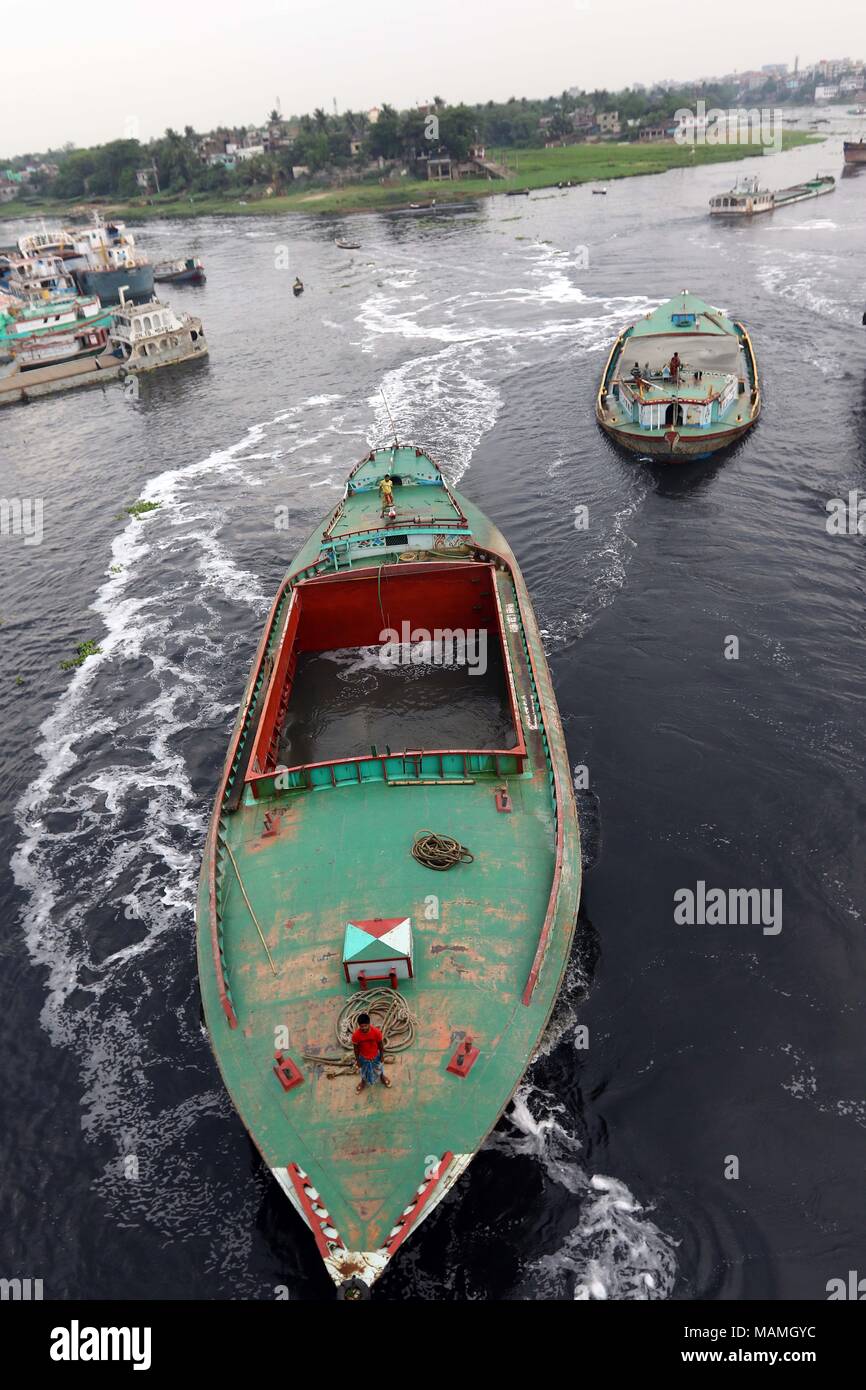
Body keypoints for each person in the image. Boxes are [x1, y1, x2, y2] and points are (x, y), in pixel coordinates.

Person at [352, 1012, 391, 1092]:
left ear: (369, 1024)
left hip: (376, 1056)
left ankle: (382, 1077)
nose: (363, 1028)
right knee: (363, 1071)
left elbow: (380, 1045)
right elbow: (356, 1049)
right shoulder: (356, 1036)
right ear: (359, 1026)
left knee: (379, 1068)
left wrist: (382, 1056)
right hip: (363, 1057)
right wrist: (357, 1060)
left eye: (365, 1026)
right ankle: (363, 1082)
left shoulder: (376, 1032)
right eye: (361, 1026)